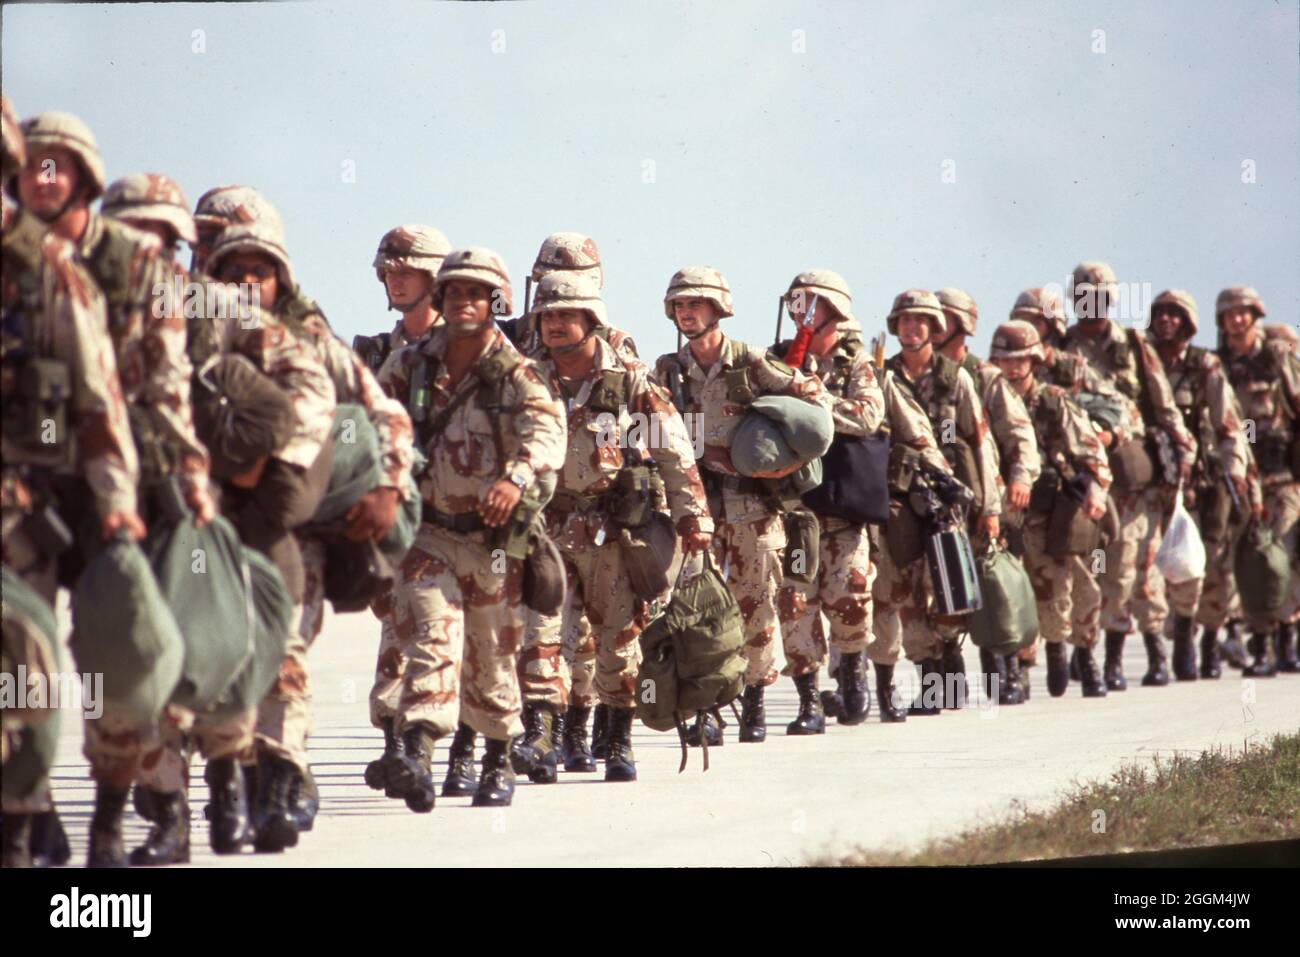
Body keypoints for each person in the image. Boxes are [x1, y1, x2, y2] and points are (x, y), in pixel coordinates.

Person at [379, 247, 566, 808]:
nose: (463, 302)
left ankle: (497, 757)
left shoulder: (516, 372)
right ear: (441, 299)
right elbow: (373, 421)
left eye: (475, 294)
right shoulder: (411, 366)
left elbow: (546, 433)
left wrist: (514, 477)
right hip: (429, 532)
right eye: (454, 292)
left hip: (492, 541)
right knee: (430, 633)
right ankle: (416, 749)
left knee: (490, 654)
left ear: (495, 302)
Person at [527, 271, 710, 781]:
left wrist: (694, 516)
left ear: (592, 320)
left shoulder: (628, 380)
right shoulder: (525, 376)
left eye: (567, 315)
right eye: (547, 315)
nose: (555, 324)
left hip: (615, 531)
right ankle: (540, 735)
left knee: (617, 641)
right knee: (542, 634)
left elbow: (674, 451)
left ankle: (617, 740)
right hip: (548, 529)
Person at [653, 266, 832, 744]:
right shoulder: (668, 370)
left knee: (756, 609)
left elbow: (813, 400)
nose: (687, 313)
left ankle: (753, 703)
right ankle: (709, 709)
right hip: (699, 508)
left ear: (718, 309)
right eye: (681, 305)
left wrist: (782, 456)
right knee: (700, 612)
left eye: (697, 304)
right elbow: (651, 429)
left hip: (756, 508)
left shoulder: (749, 361)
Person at [1061, 262, 1194, 691]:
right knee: (1090, 566)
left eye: (1098, 295)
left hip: (1131, 473)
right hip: (1083, 474)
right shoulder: (1064, 346)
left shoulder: (1135, 345)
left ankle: (1128, 658)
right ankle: (1086, 653)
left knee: (1129, 566)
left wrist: (1184, 454)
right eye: (1084, 294)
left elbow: (1163, 404)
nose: (1091, 303)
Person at [988, 320, 1112, 697]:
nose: (1012, 368)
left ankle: (1067, 653)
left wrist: (1096, 490)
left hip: (1049, 509)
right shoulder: (988, 401)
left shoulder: (1053, 400)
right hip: (1006, 511)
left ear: (1034, 361)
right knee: (1007, 590)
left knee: (1061, 589)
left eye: (1020, 360)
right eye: (1005, 360)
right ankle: (1018, 670)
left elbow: (1090, 448)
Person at [1216, 286, 1300, 675]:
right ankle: (1262, 646)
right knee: (1253, 561)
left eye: (1243, 313)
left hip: (1283, 475)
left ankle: (1288, 640)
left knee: (1283, 557)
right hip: (1246, 479)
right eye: (1229, 314)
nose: (1236, 320)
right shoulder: (1218, 366)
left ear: (1255, 315)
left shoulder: (1277, 358)